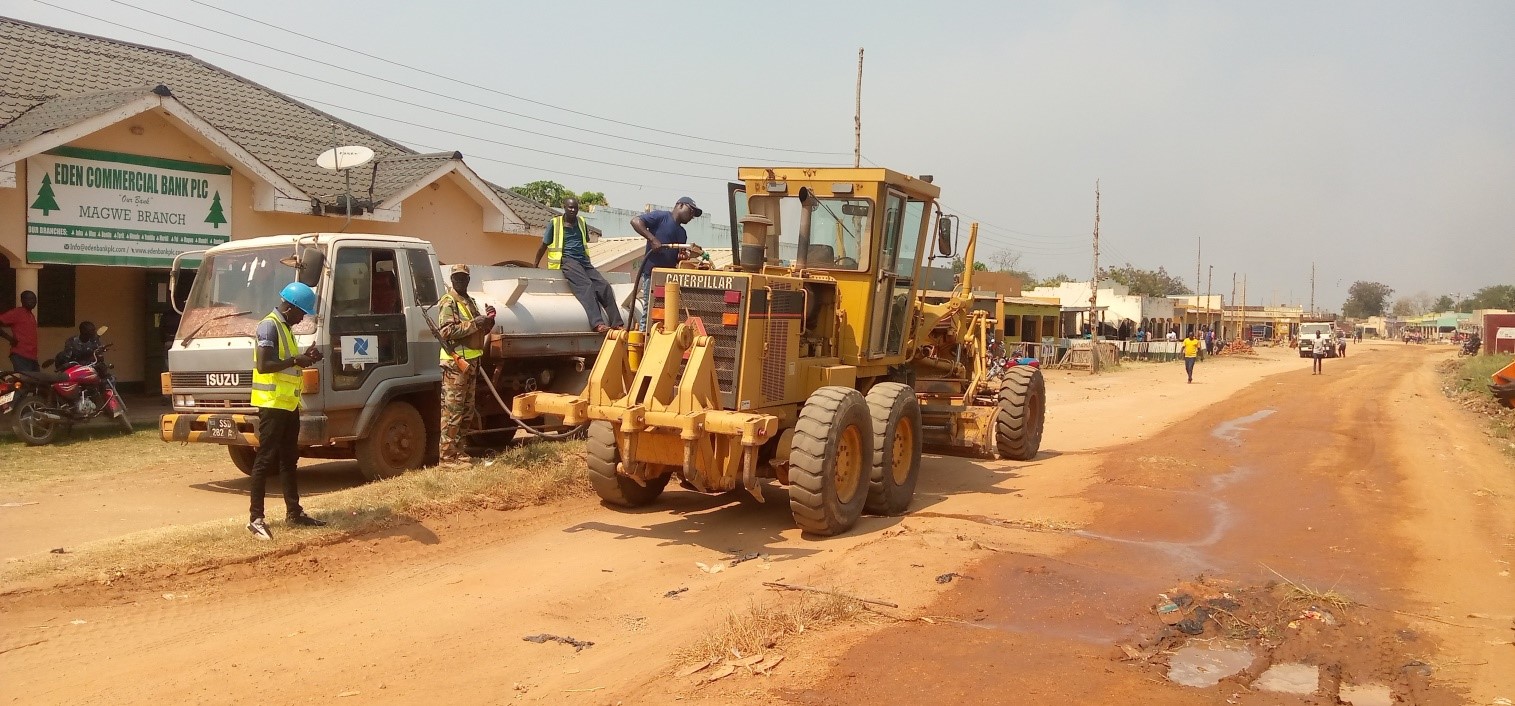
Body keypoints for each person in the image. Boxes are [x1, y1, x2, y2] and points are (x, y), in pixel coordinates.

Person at [247, 282, 326, 541]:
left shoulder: (285, 328)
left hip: (288, 405)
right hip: (271, 407)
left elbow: (287, 366)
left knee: (289, 460)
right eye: (301, 312)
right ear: (289, 307)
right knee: (264, 461)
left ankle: (294, 512)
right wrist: (295, 360)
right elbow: (265, 364)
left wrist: (306, 357)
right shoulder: (269, 325)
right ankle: (256, 519)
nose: (303, 317)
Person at [537, 198, 624, 333]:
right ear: (564, 207)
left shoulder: (582, 222)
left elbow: (585, 240)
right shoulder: (555, 223)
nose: (573, 210)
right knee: (586, 286)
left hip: (583, 261)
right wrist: (534, 265)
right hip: (567, 260)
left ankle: (617, 323)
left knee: (604, 286)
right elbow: (544, 245)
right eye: (570, 207)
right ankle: (597, 323)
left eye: (575, 208)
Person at [437, 264, 495, 463]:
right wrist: (475, 323)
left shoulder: (469, 301)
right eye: (456, 278)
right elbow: (446, 331)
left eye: (463, 278)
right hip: (455, 366)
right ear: (452, 280)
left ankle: (459, 453)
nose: (460, 281)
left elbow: (476, 332)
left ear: (468, 280)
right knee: (452, 413)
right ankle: (447, 458)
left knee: (466, 412)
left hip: (470, 364)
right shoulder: (449, 301)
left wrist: (488, 322)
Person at [629, 197, 701, 328]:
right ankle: (644, 337)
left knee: (666, 313)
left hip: (669, 279)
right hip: (652, 276)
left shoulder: (682, 233)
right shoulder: (661, 217)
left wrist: (683, 257)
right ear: (679, 205)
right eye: (690, 211)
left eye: (693, 215)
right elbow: (635, 221)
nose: (691, 216)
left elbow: (676, 255)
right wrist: (652, 239)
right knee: (650, 310)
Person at [0, 291, 39, 372]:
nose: (33, 301)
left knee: (37, 383)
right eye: (30, 299)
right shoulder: (17, 312)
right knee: (26, 382)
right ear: (22, 300)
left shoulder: (31, 315)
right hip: (20, 355)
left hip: (32, 357)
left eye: (34, 299)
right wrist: (9, 338)